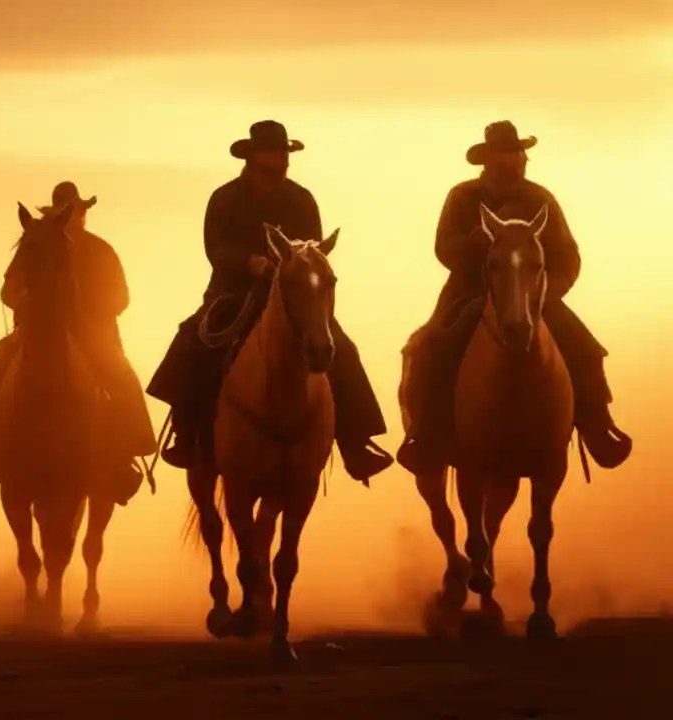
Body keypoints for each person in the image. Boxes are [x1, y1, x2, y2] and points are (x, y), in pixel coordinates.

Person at [147, 120, 393, 484]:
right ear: (254, 156)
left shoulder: (301, 198)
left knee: (341, 348)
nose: (282, 160)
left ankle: (356, 442)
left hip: (293, 295)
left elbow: (312, 250)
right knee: (192, 341)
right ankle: (187, 434)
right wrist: (250, 263)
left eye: (284, 153)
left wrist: (292, 267)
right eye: (275, 153)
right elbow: (215, 248)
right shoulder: (224, 198)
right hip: (232, 292)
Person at [396, 120, 631, 474]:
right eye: (506, 152)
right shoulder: (462, 196)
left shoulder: (540, 199)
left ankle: (598, 424)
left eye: (517, 152)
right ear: (489, 159)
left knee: (585, 348)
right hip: (468, 292)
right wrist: (472, 244)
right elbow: (443, 247)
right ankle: (425, 431)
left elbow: (567, 256)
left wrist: (545, 292)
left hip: (534, 296)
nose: (514, 159)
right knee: (432, 347)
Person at [0, 182, 157, 503]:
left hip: (92, 334)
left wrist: (87, 313)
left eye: (77, 212)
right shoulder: (35, 245)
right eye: (68, 212)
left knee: (123, 378)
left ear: (82, 214)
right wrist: (27, 304)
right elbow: (8, 290)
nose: (74, 217)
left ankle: (126, 456)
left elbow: (120, 297)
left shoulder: (101, 250)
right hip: (33, 331)